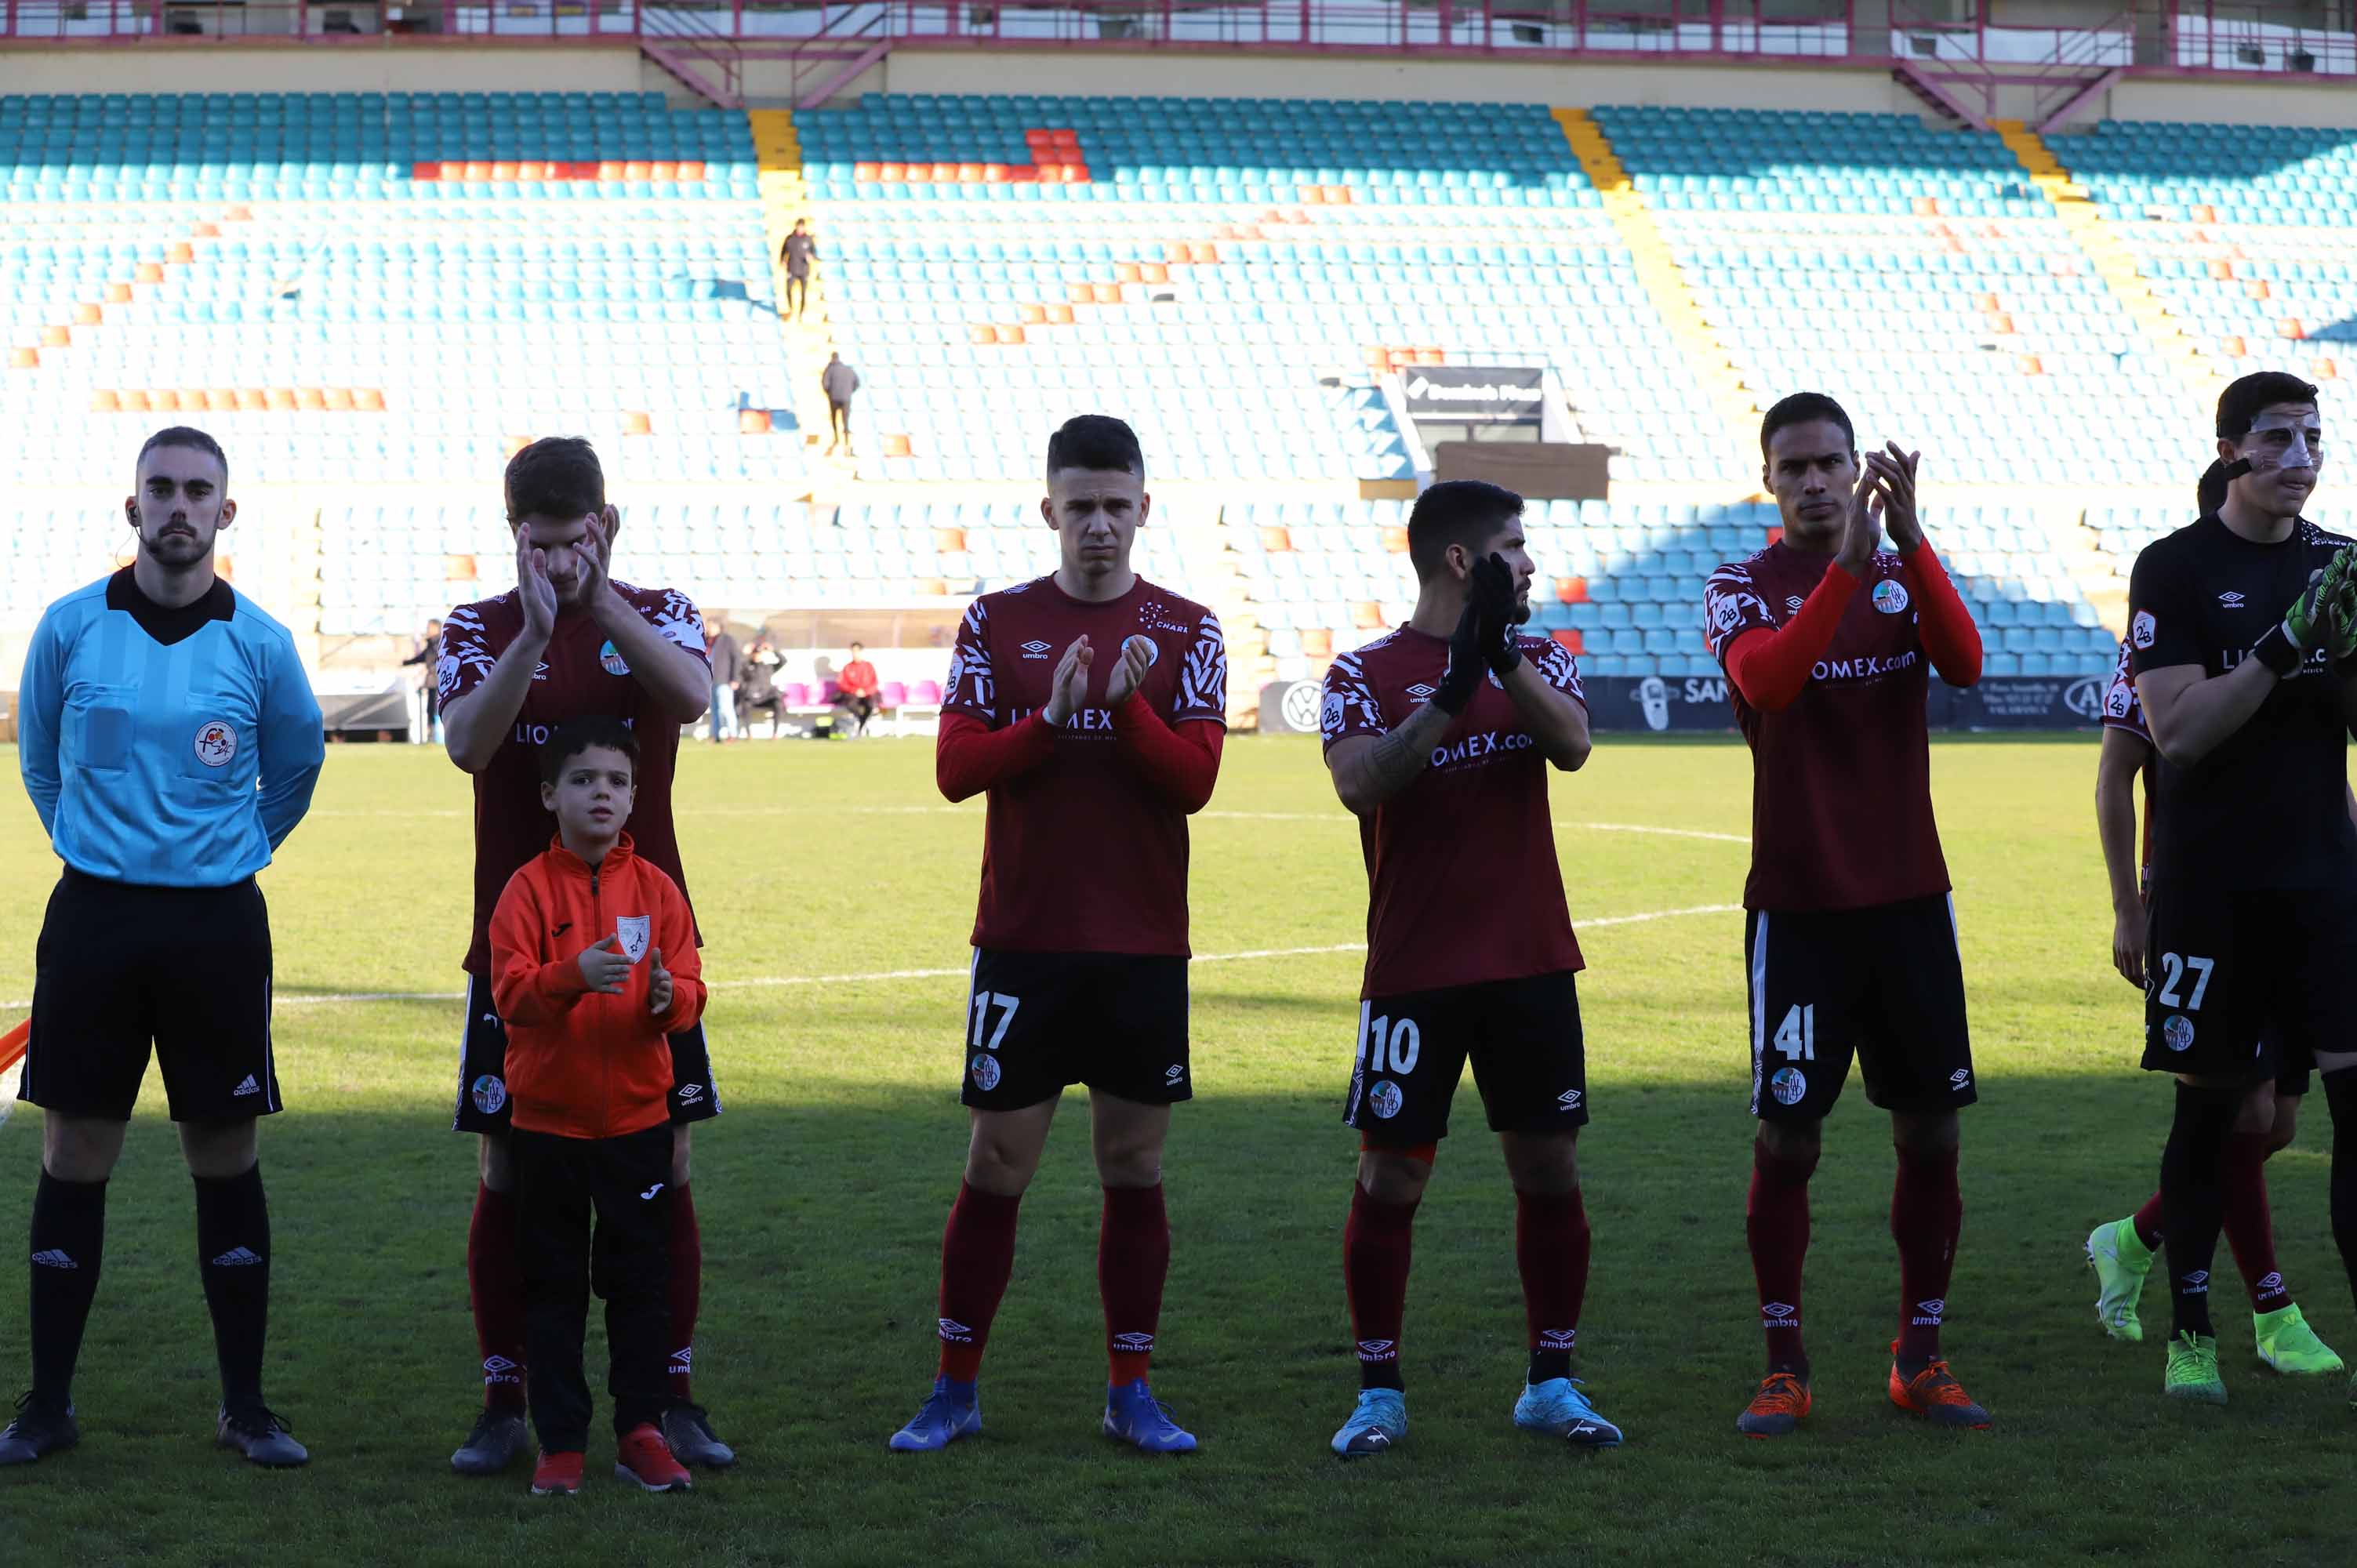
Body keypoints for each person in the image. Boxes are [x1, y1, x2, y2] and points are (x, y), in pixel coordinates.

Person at [887, 414, 1227, 1454]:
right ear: (1049, 511)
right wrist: (1054, 716)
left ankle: (1131, 1391)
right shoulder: (997, 624)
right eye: (1078, 506)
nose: (1097, 525)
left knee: (1132, 1163)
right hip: (1025, 938)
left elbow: (1195, 783)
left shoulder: (1187, 628)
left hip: (1138, 944)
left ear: (1142, 510)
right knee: (997, 1161)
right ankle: (953, 1388)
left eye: (1115, 506)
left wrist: (1124, 710)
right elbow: (954, 769)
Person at [2, 426, 325, 1468]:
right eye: (160, 489)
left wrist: (227, 854)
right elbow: (42, 757)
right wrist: (90, 849)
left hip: (216, 927)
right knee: (73, 1151)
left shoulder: (261, 644)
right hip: (95, 920)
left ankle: (244, 1407)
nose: (178, 506)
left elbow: (295, 767)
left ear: (225, 513)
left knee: (224, 1153)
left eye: (198, 491)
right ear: (131, 506)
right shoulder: (69, 629)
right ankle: (47, 1406)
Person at [436, 436, 735, 1475]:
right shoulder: (478, 628)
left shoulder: (659, 608)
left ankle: (674, 1395)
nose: (560, 563)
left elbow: (693, 699)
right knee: (509, 1165)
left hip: (653, 946)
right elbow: (468, 744)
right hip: (516, 951)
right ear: (511, 537)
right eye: (539, 544)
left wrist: (599, 607)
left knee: (668, 1160)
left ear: (607, 527)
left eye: (576, 541)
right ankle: (504, 1397)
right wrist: (536, 630)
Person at [1701, 393, 1989, 1437]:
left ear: (1855, 467)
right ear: (1769, 482)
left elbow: (1963, 663)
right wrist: (1842, 573)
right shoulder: (1741, 586)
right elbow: (1771, 684)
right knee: (1787, 1140)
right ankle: (1784, 1362)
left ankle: (1919, 1351)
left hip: (1909, 899)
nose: (1815, 482)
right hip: (1800, 908)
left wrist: (1907, 546)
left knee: (1930, 1132)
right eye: (1795, 468)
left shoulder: (1900, 568)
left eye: (1830, 463)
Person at [1317, 481, 1614, 1458]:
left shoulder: (1541, 656)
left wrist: (1496, 658)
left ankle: (1552, 1378)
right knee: (1392, 1175)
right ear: (1464, 561)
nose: (1531, 563)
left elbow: (1571, 745)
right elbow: (1364, 782)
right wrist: (1453, 687)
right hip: (1415, 970)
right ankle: (1378, 1391)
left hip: (1530, 960)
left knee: (1549, 1166)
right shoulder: (1361, 673)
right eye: (1516, 547)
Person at [2123, 371, 2357, 1404]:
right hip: (2209, 891)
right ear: (2229, 451)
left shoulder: (2342, 565)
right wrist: (2281, 645)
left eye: (2311, 437)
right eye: (2275, 439)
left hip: (2323, 887)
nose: (2298, 457)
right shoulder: (2172, 569)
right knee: (2213, 1118)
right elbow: (2175, 735)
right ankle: (2189, 1334)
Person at [2083, 621, 2344, 1371]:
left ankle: (2130, 1240)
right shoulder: (2162, 645)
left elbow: (2330, 783)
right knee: (2244, 1108)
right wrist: (2129, 906)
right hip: (2203, 904)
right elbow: (2114, 777)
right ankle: (2271, 1308)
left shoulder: (2305, 647)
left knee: (2277, 1124)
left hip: (2298, 898)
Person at [492, 717, 705, 1497]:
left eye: (616, 781)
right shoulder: (525, 889)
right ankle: (561, 1440)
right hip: (548, 1124)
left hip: (637, 1124)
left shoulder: (655, 888)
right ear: (551, 795)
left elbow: (691, 989)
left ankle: (643, 1429)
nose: (601, 793)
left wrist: (668, 997)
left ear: (636, 796)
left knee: (640, 1284)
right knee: (552, 1288)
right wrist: (571, 973)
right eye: (584, 780)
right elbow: (510, 994)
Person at [402, 617, 445, 745]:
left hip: (439, 682)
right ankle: (432, 736)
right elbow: (422, 657)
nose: (427, 630)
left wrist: (430, 669)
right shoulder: (431, 644)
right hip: (432, 682)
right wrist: (407, 662)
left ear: (437, 628)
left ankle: (438, 737)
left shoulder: (440, 643)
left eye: (430, 627)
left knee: (437, 710)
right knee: (430, 710)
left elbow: (439, 660)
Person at [739, 632, 785, 739]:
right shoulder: (747, 666)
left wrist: (773, 650)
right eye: (755, 653)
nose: (757, 656)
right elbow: (737, 664)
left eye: (759, 653)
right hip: (752, 698)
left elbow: (783, 661)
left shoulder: (768, 667)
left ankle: (775, 734)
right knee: (744, 705)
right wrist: (744, 653)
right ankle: (748, 734)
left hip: (766, 697)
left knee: (778, 704)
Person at [704, 614, 742, 744]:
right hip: (710, 680)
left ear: (718, 627)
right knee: (714, 710)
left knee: (726, 709)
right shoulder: (707, 640)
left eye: (711, 625)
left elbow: (737, 659)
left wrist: (735, 678)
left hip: (724, 679)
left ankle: (733, 734)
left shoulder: (727, 640)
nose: (708, 628)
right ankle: (715, 735)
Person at [836, 641, 881, 736]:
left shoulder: (868, 666)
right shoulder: (847, 668)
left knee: (871, 705)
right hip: (853, 695)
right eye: (853, 651)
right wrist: (855, 690)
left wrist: (865, 691)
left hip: (867, 694)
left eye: (857, 651)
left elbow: (875, 683)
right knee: (850, 704)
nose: (854, 654)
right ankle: (862, 721)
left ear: (861, 652)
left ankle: (861, 725)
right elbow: (842, 684)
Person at [822, 353, 858, 456]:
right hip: (846, 399)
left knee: (834, 419)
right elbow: (857, 383)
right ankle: (847, 441)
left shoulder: (830, 369)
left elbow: (825, 384)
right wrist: (849, 392)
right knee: (845, 421)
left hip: (834, 398)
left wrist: (830, 393)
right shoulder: (848, 370)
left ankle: (837, 438)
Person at [779, 219, 815, 321]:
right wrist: (782, 261)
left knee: (804, 292)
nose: (800, 229)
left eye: (802, 227)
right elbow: (783, 251)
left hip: (804, 270)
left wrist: (811, 257)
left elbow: (813, 252)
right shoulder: (790, 239)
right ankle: (791, 309)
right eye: (798, 227)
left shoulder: (808, 239)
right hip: (792, 268)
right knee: (788, 289)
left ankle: (801, 313)